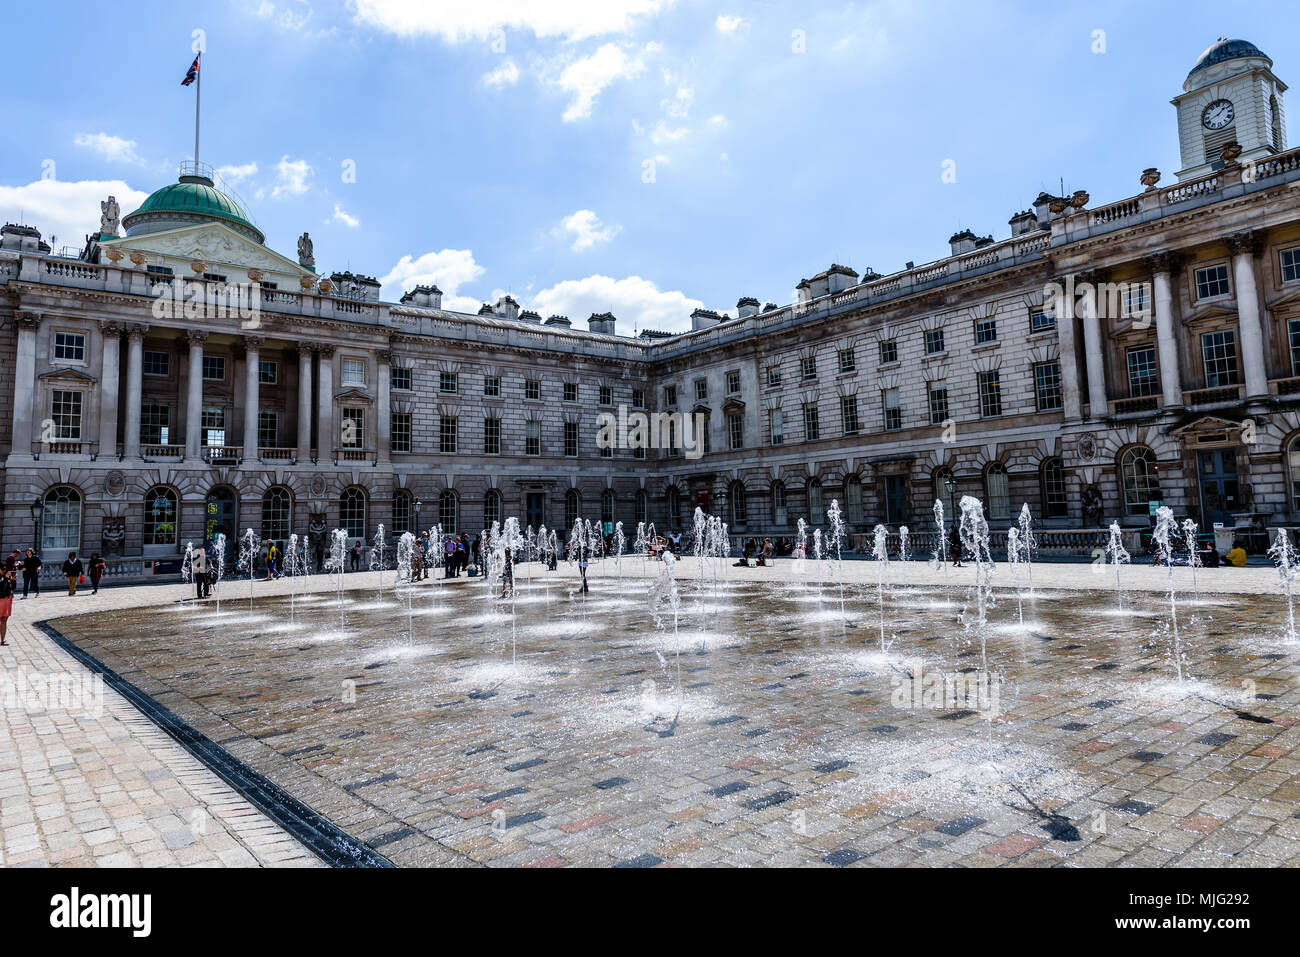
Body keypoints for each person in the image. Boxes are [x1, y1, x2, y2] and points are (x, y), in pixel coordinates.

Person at [0, 564, 15, 645]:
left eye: (6, 569)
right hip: (1, 599)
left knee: (4, 620)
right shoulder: (3, 577)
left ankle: (2, 640)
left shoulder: (7, 577)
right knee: (2, 620)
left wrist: (13, 579)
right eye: (3, 569)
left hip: (7, 598)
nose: (4, 571)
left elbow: (13, 588)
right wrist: (5, 578)